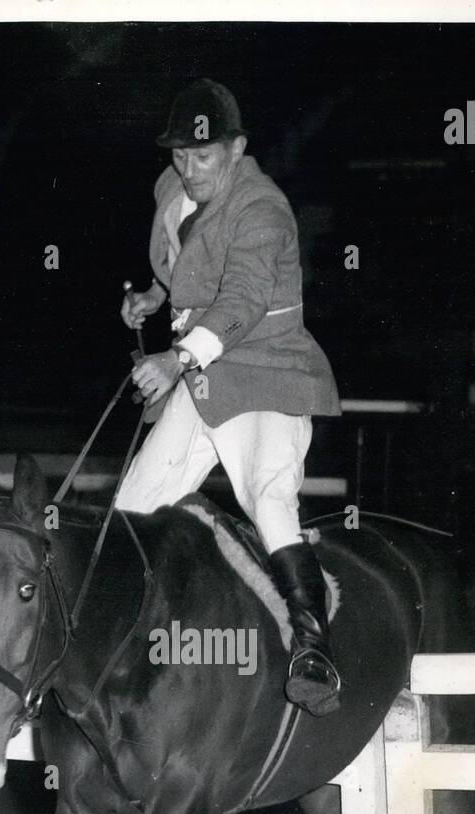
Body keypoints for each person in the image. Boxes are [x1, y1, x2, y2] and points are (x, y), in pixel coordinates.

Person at [115, 79, 343, 717]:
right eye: (180, 156)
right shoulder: (170, 188)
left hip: (266, 368)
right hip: (203, 375)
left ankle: (314, 649)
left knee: (266, 494)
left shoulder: (263, 209)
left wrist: (173, 355)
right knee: (133, 506)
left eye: (205, 156)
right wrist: (157, 301)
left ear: (238, 148)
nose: (189, 171)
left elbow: (240, 301)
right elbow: (182, 269)